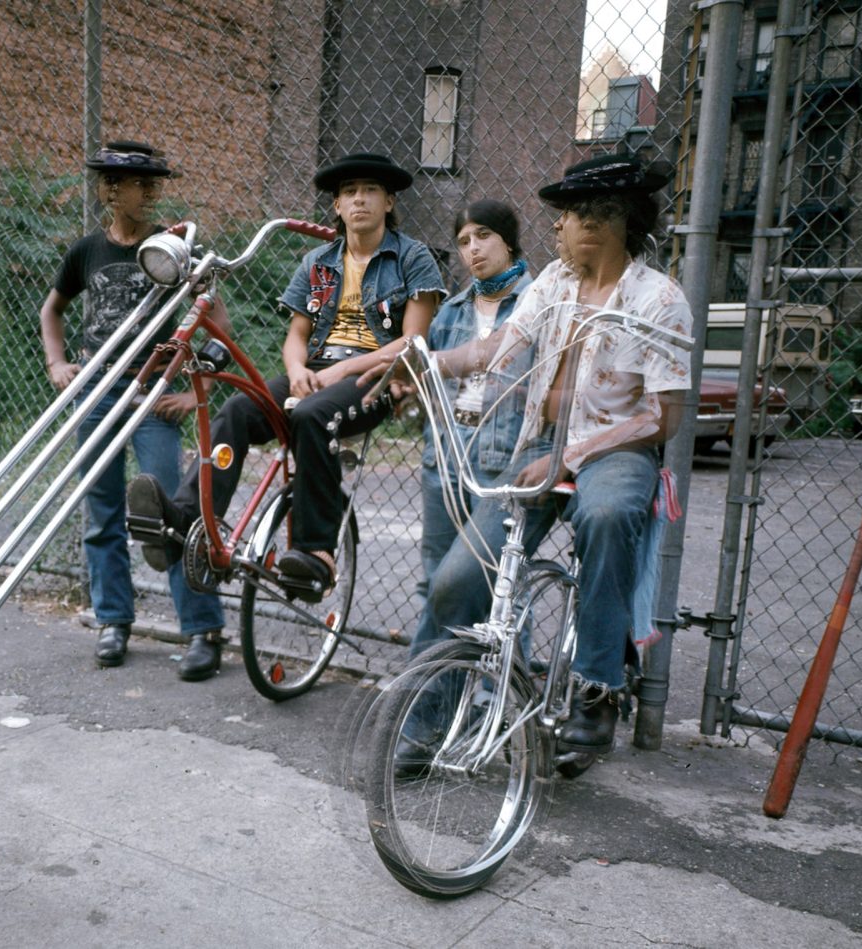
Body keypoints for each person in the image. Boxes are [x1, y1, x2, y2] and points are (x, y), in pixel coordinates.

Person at [371, 154, 692, 754]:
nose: (572, 225)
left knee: (607, 515)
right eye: (568, 214)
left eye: (586, 213)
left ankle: (597, 690)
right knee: (456, 579)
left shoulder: (660, 298)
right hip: (539, 444)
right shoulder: (553, 285)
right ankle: (428, 721)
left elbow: (663, 416)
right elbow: (495, 349)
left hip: (617, 448)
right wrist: (422, 363)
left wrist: (573, 456)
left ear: (617, 221)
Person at [128, 152, 444, 594]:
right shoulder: (318, 261)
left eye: (371, 191)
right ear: (337, 205)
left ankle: (316, 554)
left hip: (375, 377)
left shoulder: (413, 258)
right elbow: (297, 335)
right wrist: (296, 369)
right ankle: (185, 522)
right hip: (315, 370)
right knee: (238, 409)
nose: (359, 200)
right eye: (350, 192)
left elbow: (412, 342)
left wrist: (343, 369)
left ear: (389, 202)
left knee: (313, 414)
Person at [39, 140, 228, 681]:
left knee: (168, 509)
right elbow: (53, 309)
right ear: (109, 189)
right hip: (97, 391)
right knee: (101, 510)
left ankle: (201, 630)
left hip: (152, 394)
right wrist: (57, 363)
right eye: (137, 184)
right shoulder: (87, 251)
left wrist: (194, 392)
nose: (148, 193)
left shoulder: (173, 249)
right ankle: (113, 621)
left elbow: (216, 322)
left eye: (154, 185)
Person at [411, 199, 533, 657]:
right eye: (463, 242)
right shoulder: (452, 310)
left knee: (500, 580)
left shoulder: (535, 303)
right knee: (437, 575)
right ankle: (436, 686)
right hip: (445, 454)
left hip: (501, 455)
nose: (473, 249)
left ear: (508, 241)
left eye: (484, 235)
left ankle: (498, 687)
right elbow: (430, 379)